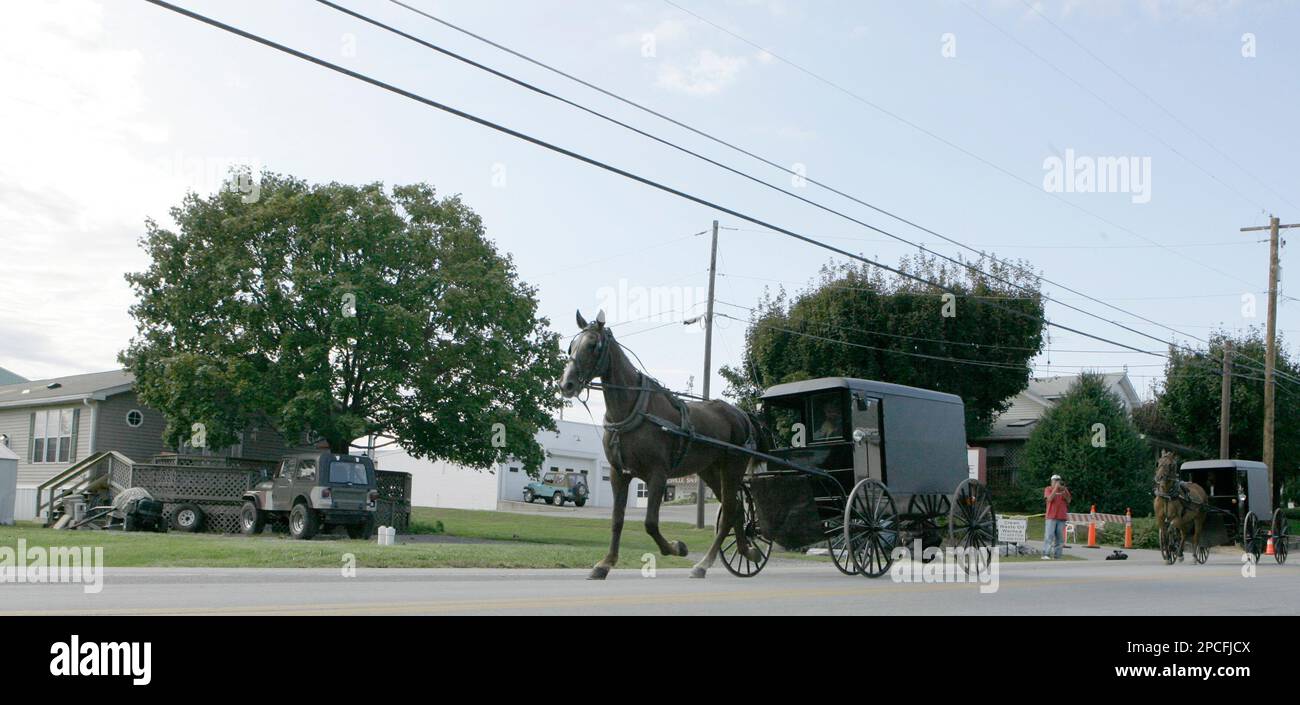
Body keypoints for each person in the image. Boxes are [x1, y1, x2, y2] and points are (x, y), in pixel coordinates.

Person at [1042, 474, 1071, 560]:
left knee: (1060, 538)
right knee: (1049, 536)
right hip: (1051, 516)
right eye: (1055, 480)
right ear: (1052, 481)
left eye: (1058, 480)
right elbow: (1049, 499)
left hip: (1061, 517)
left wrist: (1063, 491)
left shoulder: (1064, 490)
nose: (1057, 482)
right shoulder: (1048, 489)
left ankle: (1057, 556)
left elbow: (1068, 500)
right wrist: (1055, 489)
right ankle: (1045, 554)